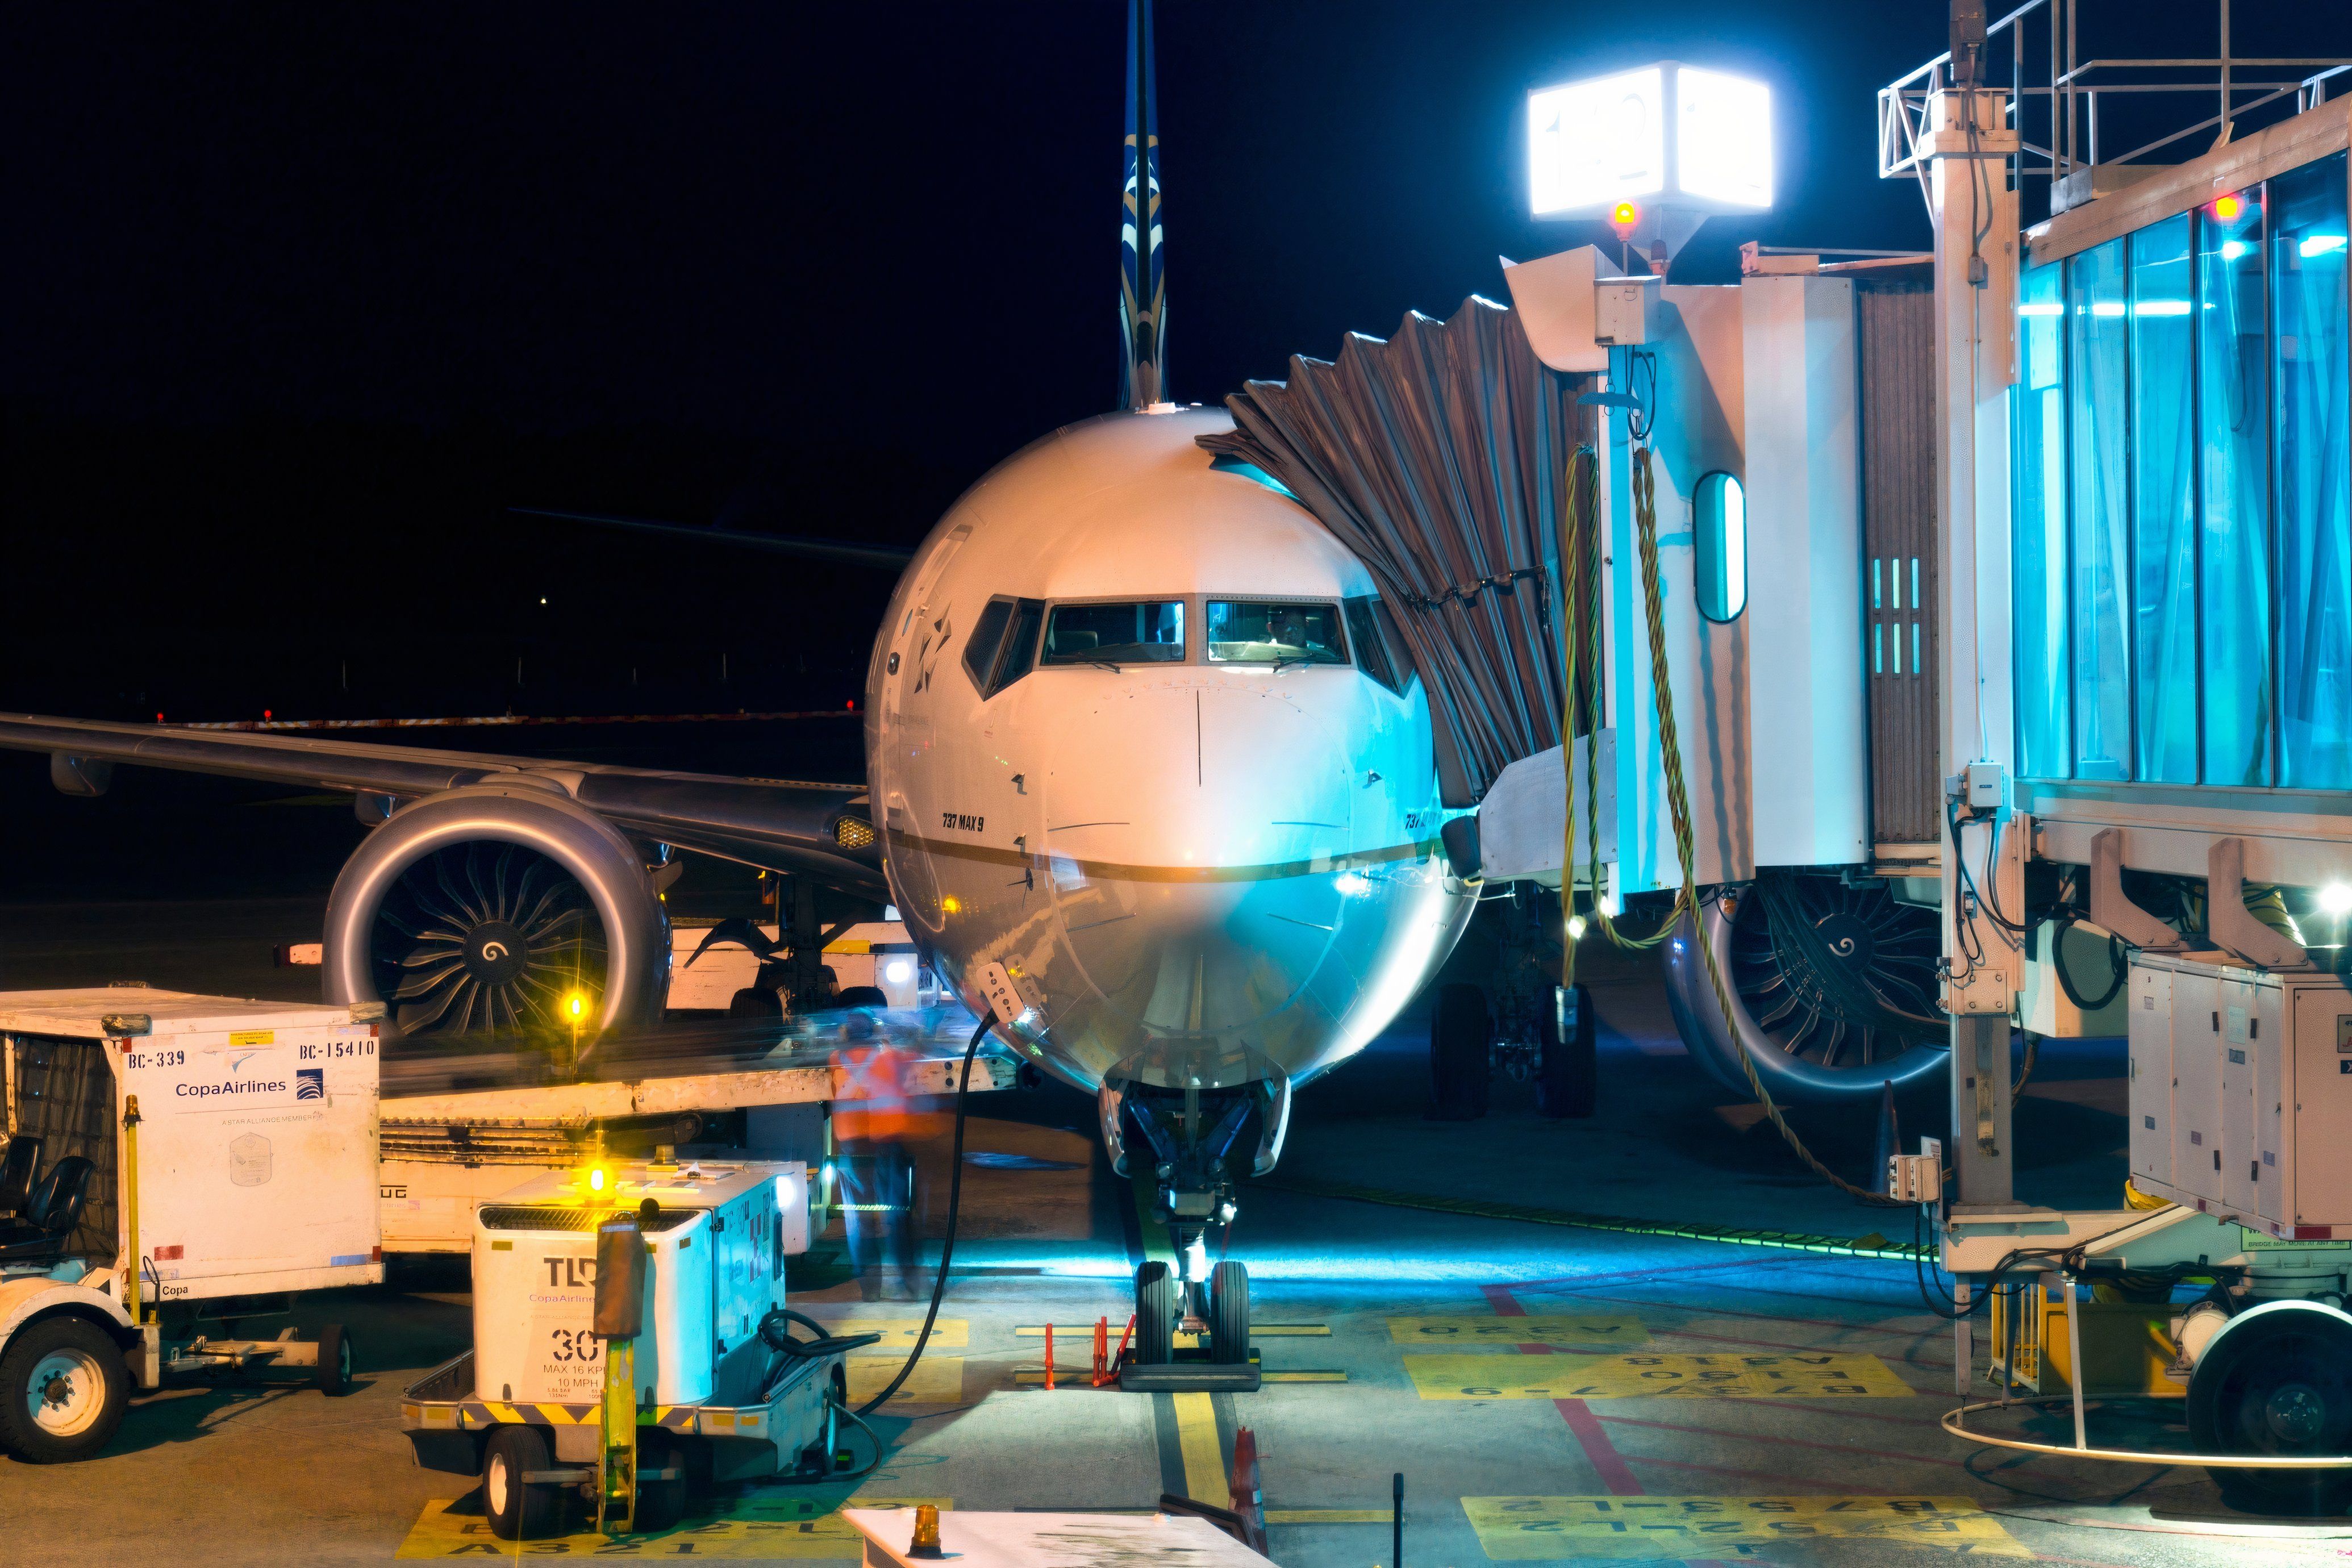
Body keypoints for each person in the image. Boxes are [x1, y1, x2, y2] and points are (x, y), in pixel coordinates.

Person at [829, 1010, 940, 1300]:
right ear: (875, 1031)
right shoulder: (891, 1057)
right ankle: (912, 1285)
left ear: (845, 1033)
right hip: (887, 1144)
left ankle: (870, 1291)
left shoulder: (835, 1060)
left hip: (853, 1150)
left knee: (859, 1222)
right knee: (898, 1216)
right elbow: (924, 1056)